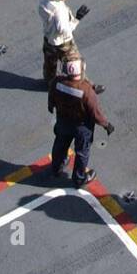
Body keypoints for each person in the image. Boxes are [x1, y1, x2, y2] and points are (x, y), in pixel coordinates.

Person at [48, 56, 113, 187]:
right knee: (82, 152)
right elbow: (95, 113)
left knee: (60, 144)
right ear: (81, 71)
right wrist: (107, 125)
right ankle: (79, 178)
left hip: (63, 121)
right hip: (82, 127)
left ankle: (56, 167)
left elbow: (51, 98)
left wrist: (51, 106)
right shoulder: (87, 91)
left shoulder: (57, 82)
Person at [37, 0, 91, 89]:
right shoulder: (59, 11)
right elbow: (64, 29)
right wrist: (77, 18)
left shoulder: (43, 1)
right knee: (76, 63)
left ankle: (49, 83)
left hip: (49, 40)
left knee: (50, 65)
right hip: (63, 43)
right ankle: (85, 86)